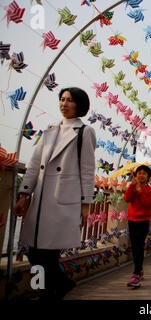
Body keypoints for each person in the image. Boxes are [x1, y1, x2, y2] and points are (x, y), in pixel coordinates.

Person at [14, 87, 96, 300]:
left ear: (80, 104)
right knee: (33, 253)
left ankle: (47, 293)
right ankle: (56, 287)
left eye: (69, 100)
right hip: (40, 201)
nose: (64, 104)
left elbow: (87, 170)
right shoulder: (50, 130)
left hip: (61, 200)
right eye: (61, 99)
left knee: (47, 255)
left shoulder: (85, 132)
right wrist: (24, 195)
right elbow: (33, 165)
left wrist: (86, 204)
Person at [124, 165, 151, 288]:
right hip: (132, 220)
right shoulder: (132, 187)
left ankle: (136, 274)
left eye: (144, 173)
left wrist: (140, 191)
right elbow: (126, 199)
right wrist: (132, 187)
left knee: (139, 246)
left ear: (148, 177)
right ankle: (139, 269)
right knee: (134, 246)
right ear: (136, 175)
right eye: (139, 173)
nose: (141, 175)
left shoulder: (150, 190)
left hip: (143, 221)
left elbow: (147, 204)